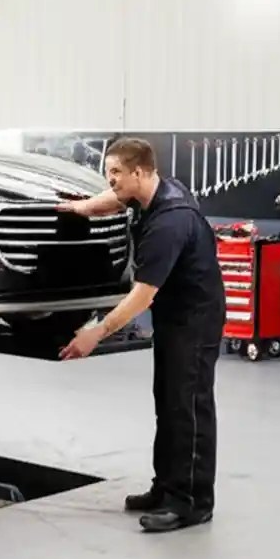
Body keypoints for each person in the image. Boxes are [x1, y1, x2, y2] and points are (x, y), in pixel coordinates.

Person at [56, 136, 225, 533]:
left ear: (139, 172)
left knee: (188, 407)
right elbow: (114, 200)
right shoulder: (154, 192)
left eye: (115, 172)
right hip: (174, 316)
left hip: (195, 320)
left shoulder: (170, 222)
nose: (109, 179)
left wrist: (96, 333)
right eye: (107, 172)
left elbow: (142, 296)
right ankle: (166, 487)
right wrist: (81, 208)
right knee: (166, 400)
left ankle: (192, 502)